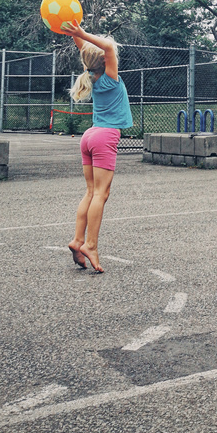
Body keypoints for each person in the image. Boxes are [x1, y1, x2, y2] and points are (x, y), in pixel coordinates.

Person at [61, 23, 134, 273]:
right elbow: (107, 47)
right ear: (104, 59)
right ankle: (90, 245)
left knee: (91, 192)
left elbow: (89, 50)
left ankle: (77, 240)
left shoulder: (93, 73)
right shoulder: (110, 76)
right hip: (104, 137)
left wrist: (76, 36)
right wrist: (79, 35)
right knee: (101, 194)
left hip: (89, 136)